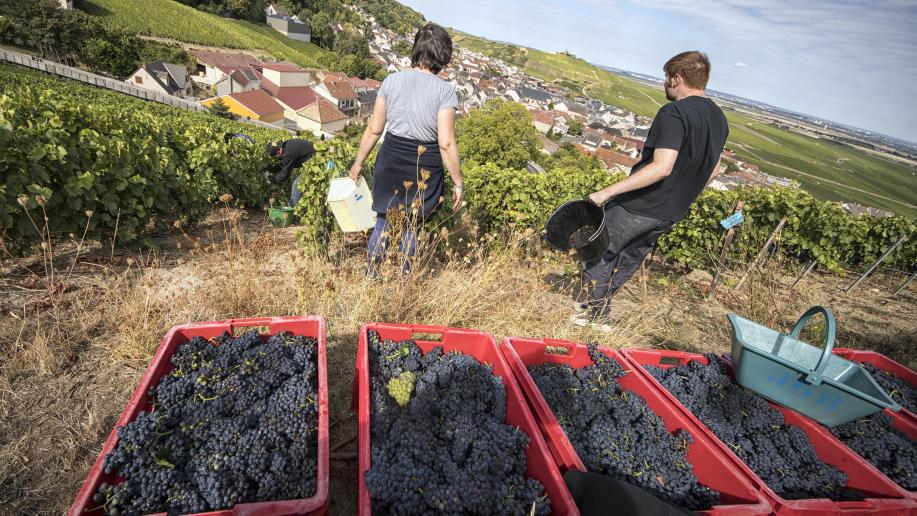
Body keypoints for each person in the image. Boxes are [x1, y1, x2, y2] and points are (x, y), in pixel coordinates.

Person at [579, 51, 728, 328]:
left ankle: (592, 314)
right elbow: (715, 170)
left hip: (640, 204)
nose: (664, 84)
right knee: (627, 260)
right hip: (671, 212)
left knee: (598, 250)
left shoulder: (675, 112)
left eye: (665, 78)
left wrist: (606, 193)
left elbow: (662, 167)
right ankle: (599, 316)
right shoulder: (719, 118)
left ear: (677, 78)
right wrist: (682, 197)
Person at [349, 23, 463, 274]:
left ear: (416, 50)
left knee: (383, 221)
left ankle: (371, 275)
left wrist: (358, 162)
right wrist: (458, 182)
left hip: (390, 157)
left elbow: (374, 129)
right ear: (443, 55)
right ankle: (404, 278)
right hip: (425, 164)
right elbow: (446, 143)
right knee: (413, 226)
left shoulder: (391, 81)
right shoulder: (445, 91)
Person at [265, 138, 316, 206]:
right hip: (312, 158)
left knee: (296, 184)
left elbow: (284, 175)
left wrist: (272, 179)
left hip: (315, 162)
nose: (276, 159)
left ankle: (293, 209)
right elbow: (283, 164)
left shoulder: (288, 154)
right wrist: (270, 170)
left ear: (278, 152)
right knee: (297, 183)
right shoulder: (286, 146)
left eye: (275, 157)